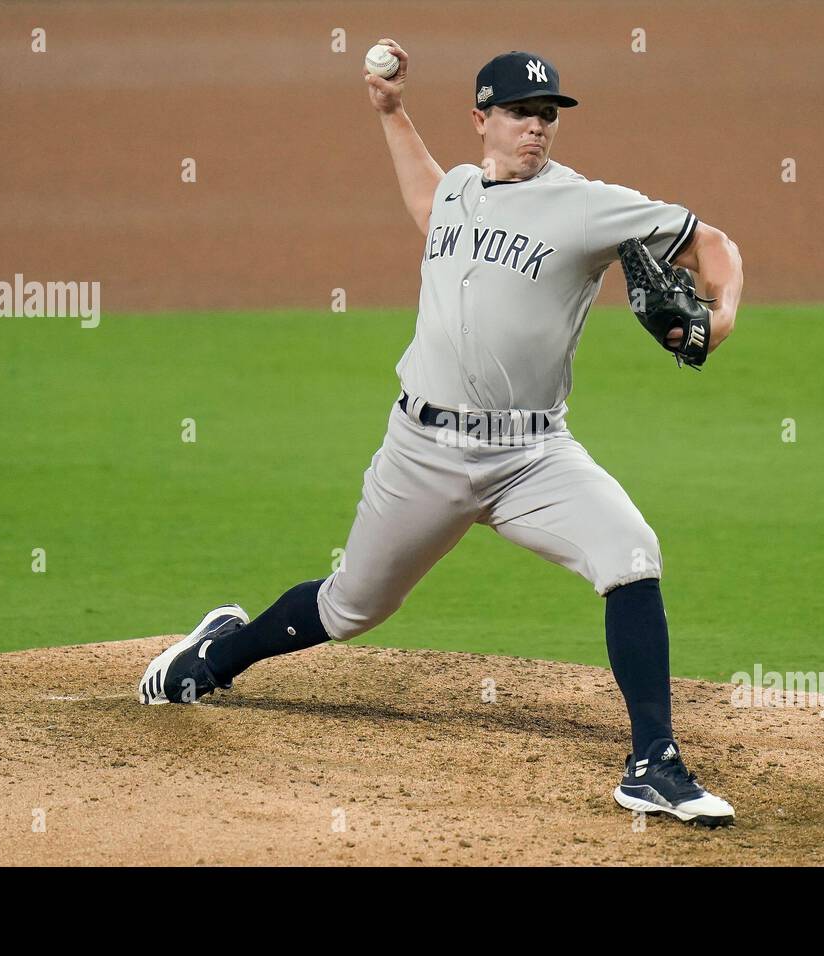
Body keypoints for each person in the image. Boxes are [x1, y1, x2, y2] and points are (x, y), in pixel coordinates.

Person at [139, 41, 744, 828]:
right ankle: (214, 658)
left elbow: (713, 245)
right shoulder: (461, 190)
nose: (537, 127)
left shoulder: (588, 205)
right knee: (352, 606)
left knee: (631, 554)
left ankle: (653, 765)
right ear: (482, 120)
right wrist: (391, 112)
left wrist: (720, 318)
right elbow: (431, 206)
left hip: (533, 456)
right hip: (422, 451)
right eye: (522, 112)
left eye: (548, 114)